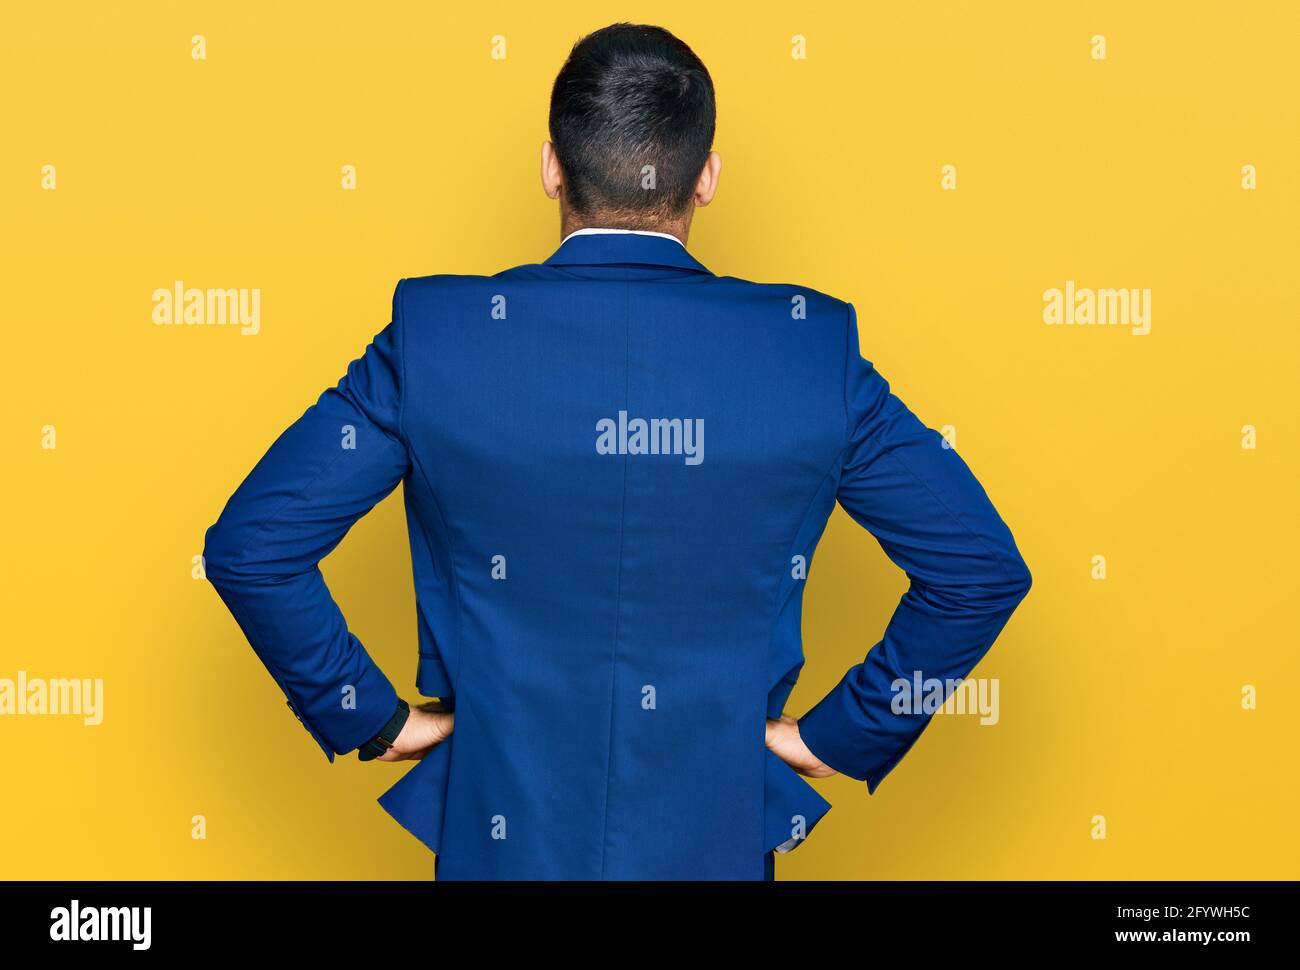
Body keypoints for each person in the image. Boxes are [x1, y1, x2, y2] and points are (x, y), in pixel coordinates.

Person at [203, 22, 1032, 881]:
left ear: (552, 168)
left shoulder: (438, 337)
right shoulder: (807, 352)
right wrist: (842, 734)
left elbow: (253, 549)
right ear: (706, 177)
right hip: (716, 841)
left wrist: (369, 717)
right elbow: (979, 571)